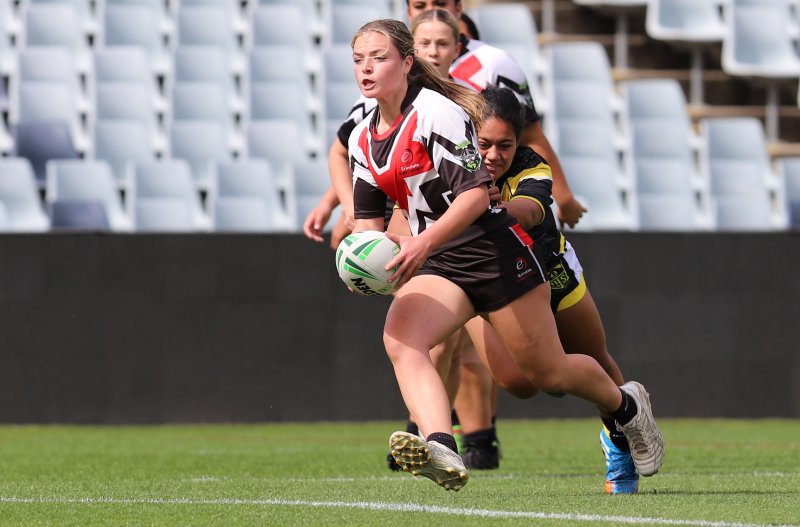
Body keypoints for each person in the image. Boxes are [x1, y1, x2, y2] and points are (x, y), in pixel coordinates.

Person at [347, 18, 664, 492]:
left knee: (548, 374)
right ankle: (441, 445)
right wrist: (363, 265)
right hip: (444, 262)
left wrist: (422, 242)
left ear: (407, 63)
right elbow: (369, 225)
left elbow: (476, 197)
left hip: (493, 253)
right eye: (358, 59)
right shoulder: (361, 137)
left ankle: (626, 406)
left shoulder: (436, 112)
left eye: (379, 57)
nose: (366, 68)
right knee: (401, 338)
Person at [467, 85, 639, 494]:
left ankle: (622, 444)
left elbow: (529, 211)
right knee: (520, 383)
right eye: (484, 144)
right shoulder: (453, 167)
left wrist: (489, 208)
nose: (493, 155)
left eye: (505, 145)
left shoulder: (533, 165)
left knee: (596, 357)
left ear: (519, 141)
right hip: (492, 285)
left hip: (550, 271)